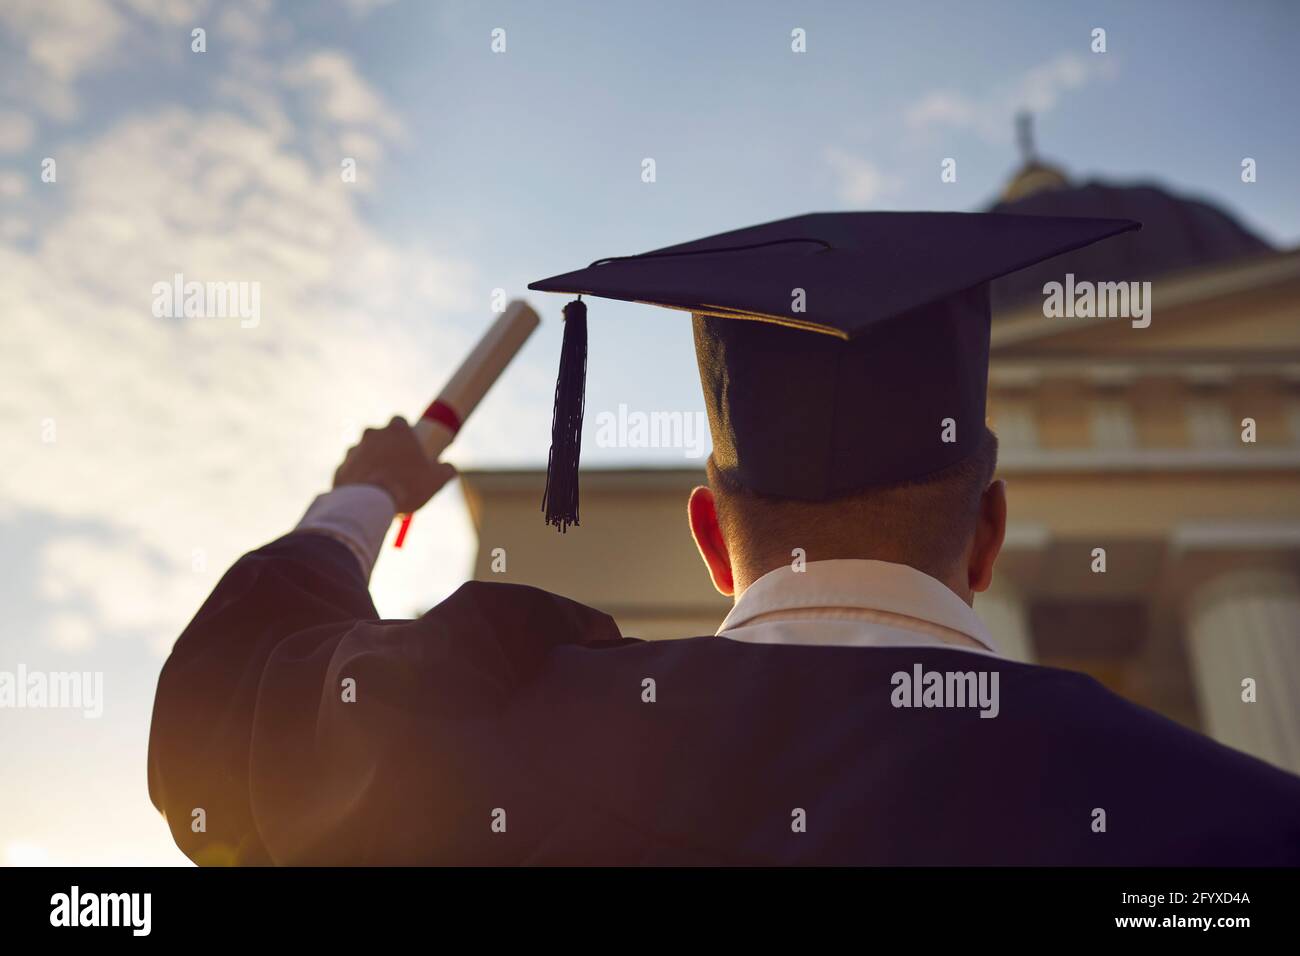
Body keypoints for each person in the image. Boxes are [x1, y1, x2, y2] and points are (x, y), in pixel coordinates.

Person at [148, 212, 1300, 865]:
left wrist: (365, 497)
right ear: (987, 530)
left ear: (708, 530)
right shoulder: (1228, 819)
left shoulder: (495, 741)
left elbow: (220, 713)